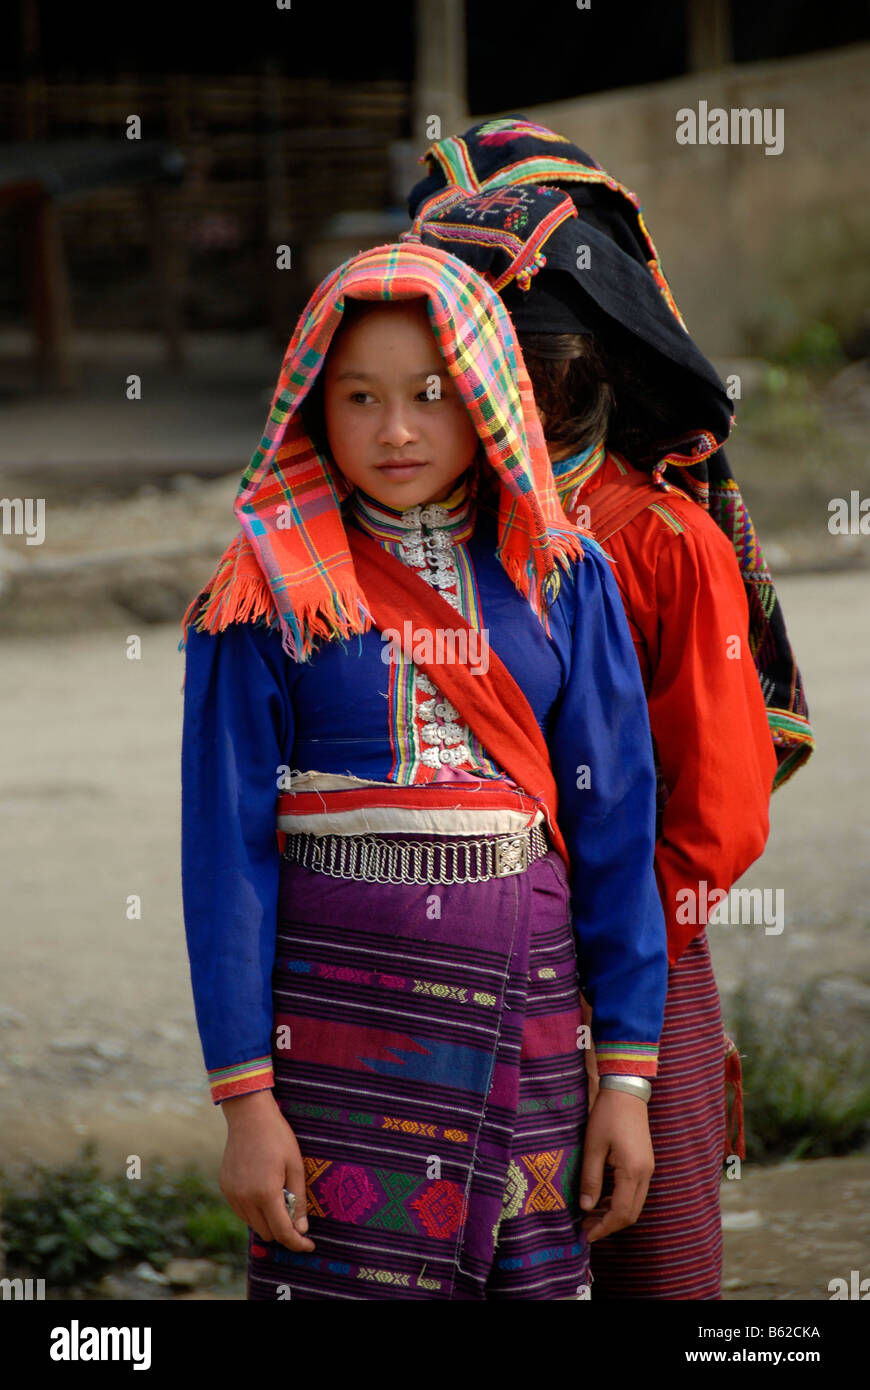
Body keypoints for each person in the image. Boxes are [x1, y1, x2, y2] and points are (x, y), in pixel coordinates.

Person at [177, 239, 669, 1301]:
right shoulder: (260, 592)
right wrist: (246, 1103)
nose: (395, 429)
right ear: (314, 404)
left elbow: (620, 827)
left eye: (430, 394)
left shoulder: (559, 572)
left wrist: (625, 1079)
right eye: (359, 397)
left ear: (487, 396)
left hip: (532, 1012)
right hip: (336, 1033)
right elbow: (225, 852)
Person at [406, 122, 814, 1300]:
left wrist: (612, 979)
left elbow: (721, 811)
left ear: (607, 366)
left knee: (657, 1260)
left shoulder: (662, 543)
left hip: (638, 960)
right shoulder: (412, 541)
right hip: (454, 964)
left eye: (543, 374)